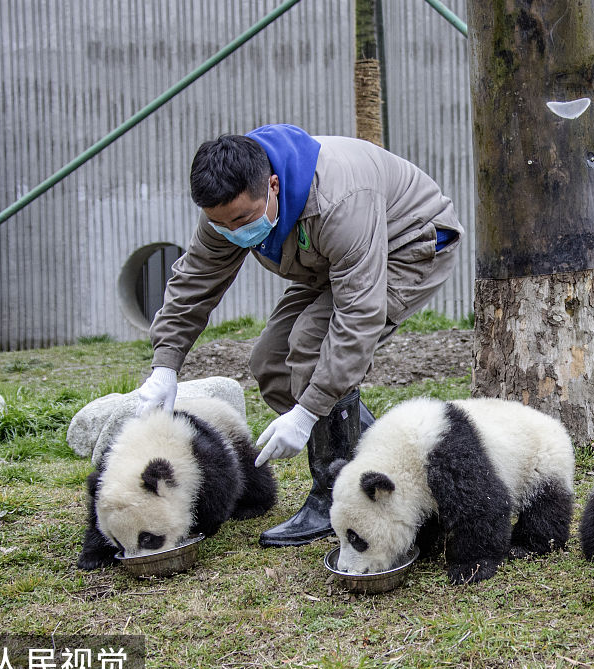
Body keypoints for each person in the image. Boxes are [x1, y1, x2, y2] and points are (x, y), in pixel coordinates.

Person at [133, 123, 463, 547]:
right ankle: (378, 459)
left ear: (272, 186)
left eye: (242, 220)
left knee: (311, 345)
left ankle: (333, 494)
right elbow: (194, 281)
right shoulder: (228, 208)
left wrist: (308, 413)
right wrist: (165, 366)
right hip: (327, 260)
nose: (233, 232)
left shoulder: (339, 201)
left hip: (409, 242)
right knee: (270, 363)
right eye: (221, 225)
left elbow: (357, 317)